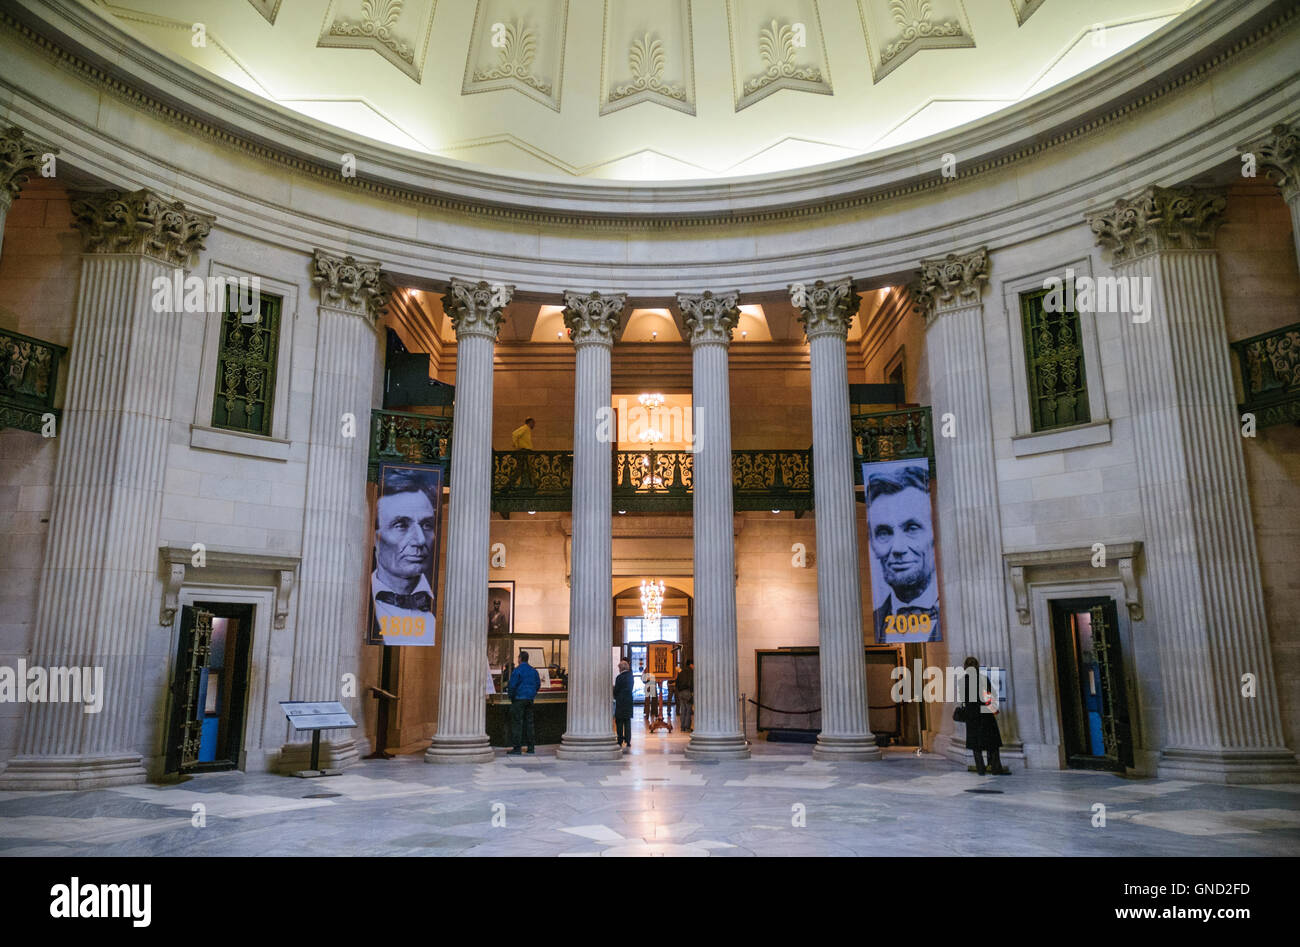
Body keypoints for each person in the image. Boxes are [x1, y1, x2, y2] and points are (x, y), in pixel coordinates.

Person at [868, 464, 941, 643]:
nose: (898, 549)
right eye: (884, 532)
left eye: (912, 528)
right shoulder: (877, 619)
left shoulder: (960, 614)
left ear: (934, 534)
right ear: (872, 543)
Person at [371, 470, 438, 643]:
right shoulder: (361, 608)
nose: (420, 539)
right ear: (375, 538)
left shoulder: (442, 610)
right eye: (401, 525)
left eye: (426, 525)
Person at [960, 656, 1008, 775]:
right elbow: (989, 697)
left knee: (976, 745)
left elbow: (963, 700)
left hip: (972, 715)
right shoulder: (983, 679)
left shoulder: (963, 681)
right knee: (992, 742)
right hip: (985, 714)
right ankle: (995, 767)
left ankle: (981, 769)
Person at [506, 650, 540, 755]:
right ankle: (531, 747)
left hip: (519, 699)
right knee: (529, 724)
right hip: (530, 699)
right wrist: (532, 694)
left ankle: (517, 748)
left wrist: (511, 697)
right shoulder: (533, 671)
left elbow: (512, 686)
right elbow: (538, 684)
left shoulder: (517, 671)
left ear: (520, 658)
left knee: (517, 723)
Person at [613, 660, 634, 750]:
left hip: (620, 701)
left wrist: (615, 695)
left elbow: (616, 690)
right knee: (627, 721)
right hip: (628, 700)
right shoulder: (631, 677)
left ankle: (620, 740)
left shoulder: (619, 677)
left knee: (619, 721)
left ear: (621, 668)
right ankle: (628, 740)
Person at [675, 660, 694, 732]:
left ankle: (682, 727)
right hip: (687, 691)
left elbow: (677, 682)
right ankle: (687, 727)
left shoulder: (681, 672)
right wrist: (692, 692)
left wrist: (679, 691)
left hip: (680, 692)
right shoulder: (691, 672)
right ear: (691, 665)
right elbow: (692, 682)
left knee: (683, 710)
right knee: (688, 710)